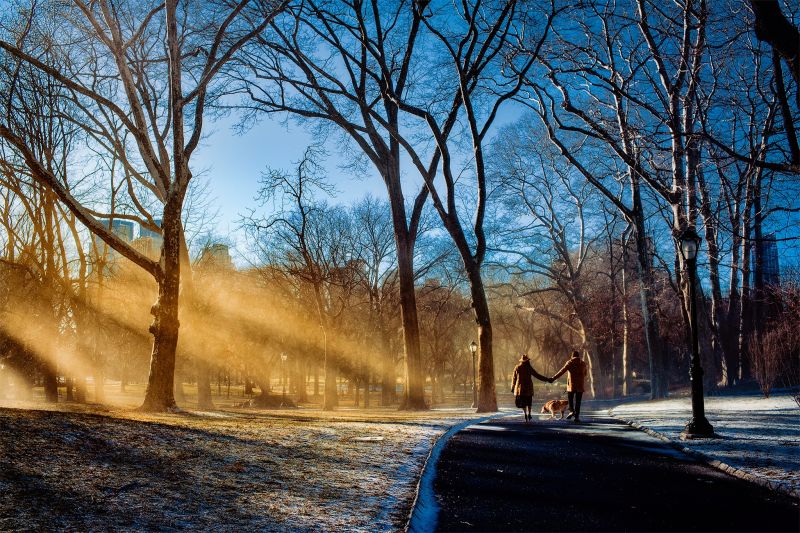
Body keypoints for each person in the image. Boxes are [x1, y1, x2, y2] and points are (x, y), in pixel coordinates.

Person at [551, 350, 588, 423]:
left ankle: (571, 411)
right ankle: (577, 417)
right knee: (578, 401)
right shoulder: (583, 363)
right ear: (578, 356)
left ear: (572, 356)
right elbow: (585, 373)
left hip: (572, 385)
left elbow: (562, 371)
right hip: (580, 385)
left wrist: (553, 378)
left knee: (570, 399)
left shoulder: (570, 363)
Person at [511, 354, 550, 422]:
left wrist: (513, 387)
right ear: (527, 361)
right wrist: (547, 379)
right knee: (529, 401)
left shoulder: (517, 367)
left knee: (523, 402)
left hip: (521, 388)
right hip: (528, 388)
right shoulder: (529, 368)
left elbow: (514, 378)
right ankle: (529, 413)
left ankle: (525, 414)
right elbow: (537, 375)